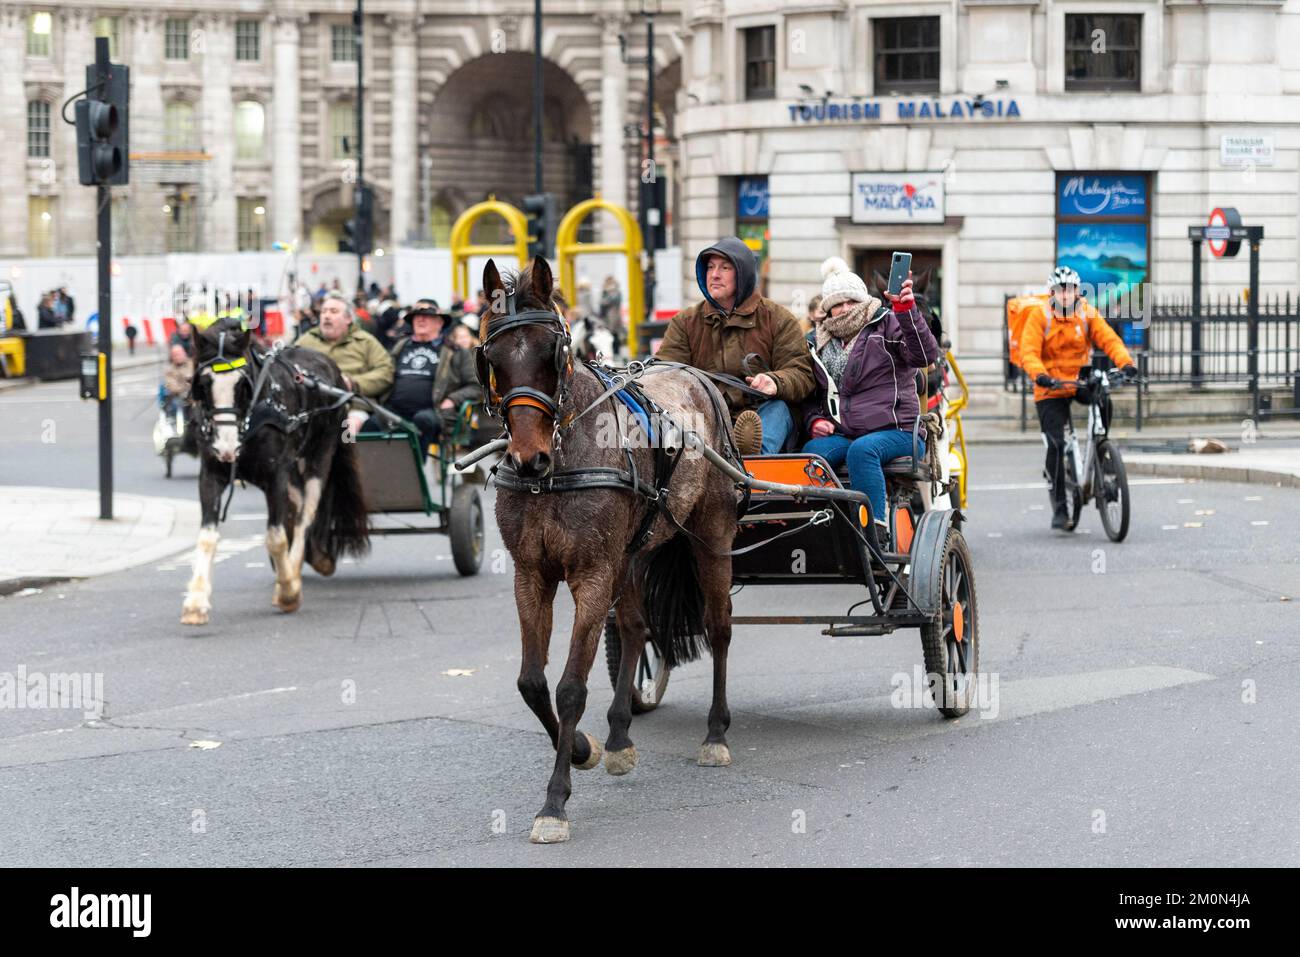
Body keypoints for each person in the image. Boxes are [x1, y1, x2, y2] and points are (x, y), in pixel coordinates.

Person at [801, 257, 939, 548]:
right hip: (847, 433)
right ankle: (830, 525)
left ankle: (874, 531)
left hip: (899, 431)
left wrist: (905, 309)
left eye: (851, 301)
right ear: (827, 310)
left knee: (863, 451)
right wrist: (815, 420)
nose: (845, 309)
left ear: (863, 300)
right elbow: (812, 395)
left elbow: (924, 355)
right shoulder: (817, 341)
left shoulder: (886, 324)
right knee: (812, 453)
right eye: (837, 304)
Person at [655, 237, 814, 455]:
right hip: (707, 413)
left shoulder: (778, 318)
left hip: (761, 411)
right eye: (710, 267)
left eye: (725, 267)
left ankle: (752, 469)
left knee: (779, 409)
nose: (714, 274)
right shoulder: (685, 322)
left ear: (743, 273)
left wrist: (775, 382)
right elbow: (665, 372)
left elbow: (802, 374)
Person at [1020, 266, 1138, 531]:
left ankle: (1101, 450)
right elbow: (1028, 352)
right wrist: (1039, 375)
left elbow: (1109, 340)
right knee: (1057, 444)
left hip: (1076, 380)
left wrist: (1126, 364)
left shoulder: (1086, 313)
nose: (1065, 295)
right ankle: (1061, 507)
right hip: (1050, 386)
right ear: (1052, 293)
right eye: (1060, 290)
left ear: (1076, 291)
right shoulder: (1040, 317)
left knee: (1104, 398)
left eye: (1070, 290)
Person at [295, 294, 394, 439]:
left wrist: (353, 383)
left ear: (348, 318)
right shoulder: (305, 341)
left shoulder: (365, 342)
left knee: (346, 433)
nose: (327, 316)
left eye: (334, 311)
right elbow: (288, 369)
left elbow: (386, 372)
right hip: (312, 407)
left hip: (353, 405)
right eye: (324, 311)